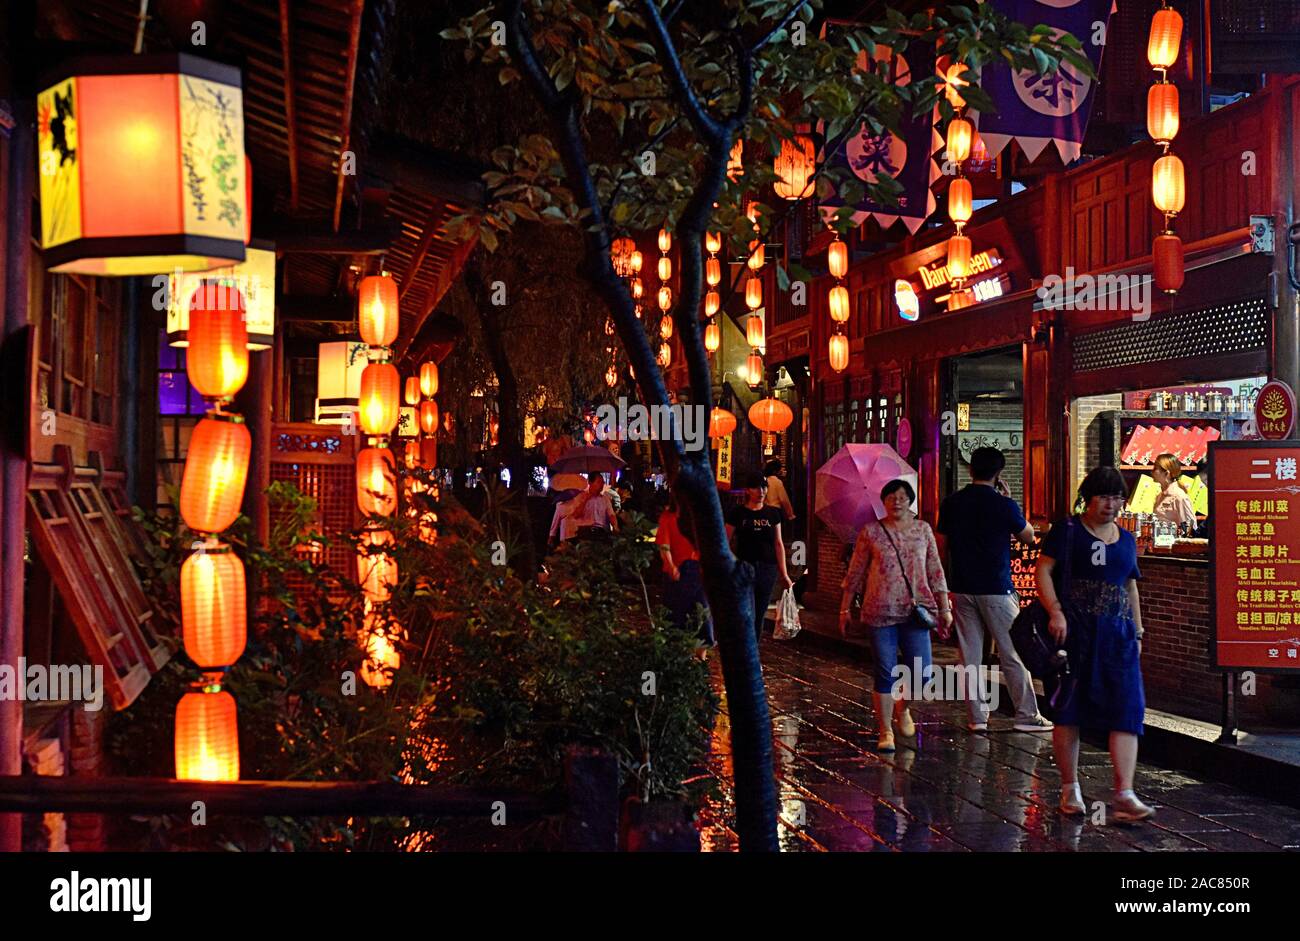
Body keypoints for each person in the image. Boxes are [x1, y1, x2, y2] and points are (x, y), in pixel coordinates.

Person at [1037, 466, 1153, 822]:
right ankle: (1070, 788)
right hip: (1077, 631)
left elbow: (1130, 585)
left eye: (1118, 497)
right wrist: (1055, 610)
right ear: (1088, 498)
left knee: (1128, 709)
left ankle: (1125, 793)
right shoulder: (1067, 531)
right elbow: (1044, 570)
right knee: (1070, 709)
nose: (1112, 504)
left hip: (1118, 634)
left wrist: (1138, 629)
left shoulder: (1127, 538)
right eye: (1104, 496)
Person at [937, 447, 1053, 733]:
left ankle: (976, 717)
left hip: (961, 586)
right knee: (1013, 652)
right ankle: (1026, 714)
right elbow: (1028, 537)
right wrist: (1010, 502)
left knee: (970, 657)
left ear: (970, 469)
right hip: (997, 588)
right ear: (999, 473)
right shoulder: (1003, 505)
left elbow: (943, 544)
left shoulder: (953, 502)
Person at [838, 479, 953, 753]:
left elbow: (935, 570)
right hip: (879, 611)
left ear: (910, 499)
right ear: (884, 500)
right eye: (891, 496)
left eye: (902, 496)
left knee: (923, 674)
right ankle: (885, 730)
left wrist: (945, 607)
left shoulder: (923, 530)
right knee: (885, 671)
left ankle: (902, 707)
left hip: (916, 612)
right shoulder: (871, 532)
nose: (897, 501)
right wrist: (844, 608)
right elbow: (855, 572)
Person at [726, 472, 793, 642]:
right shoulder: (738, 513)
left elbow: (778, 543)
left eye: (764, 487)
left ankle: (754, 653)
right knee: (747, 611)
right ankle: (744, 649)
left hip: (767, 568)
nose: (761, 491)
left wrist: (784, 573)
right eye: (756, 487)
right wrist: (734, 565)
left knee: (760, 612)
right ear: (748, 490)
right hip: (745, 567)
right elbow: (725, 541)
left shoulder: (773, 514)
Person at [656, 492, 714, 648]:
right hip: (679, 571)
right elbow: (664, 546)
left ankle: (701, 658)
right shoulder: (668, 517)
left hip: (698, 570)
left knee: (702, 615)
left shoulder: (699, 518)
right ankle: (678, 653)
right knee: (677, 616)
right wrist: (671, 566)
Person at [549, 472, 618, 546]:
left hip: (601, 532)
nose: (602, 485)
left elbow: (611, 514)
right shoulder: (581, 496)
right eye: (599, 482)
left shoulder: (605, 498)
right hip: (585, 532)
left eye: (603, 482)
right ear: (590, 483)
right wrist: (585, 500)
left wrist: (615, 526)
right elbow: (576, 515)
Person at [1151, 453, 1196, 529]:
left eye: (1155, 468)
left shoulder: (1179, 497)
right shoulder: (1160, 496)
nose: (1152, 471)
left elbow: (1190, 529)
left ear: (1166, 473)